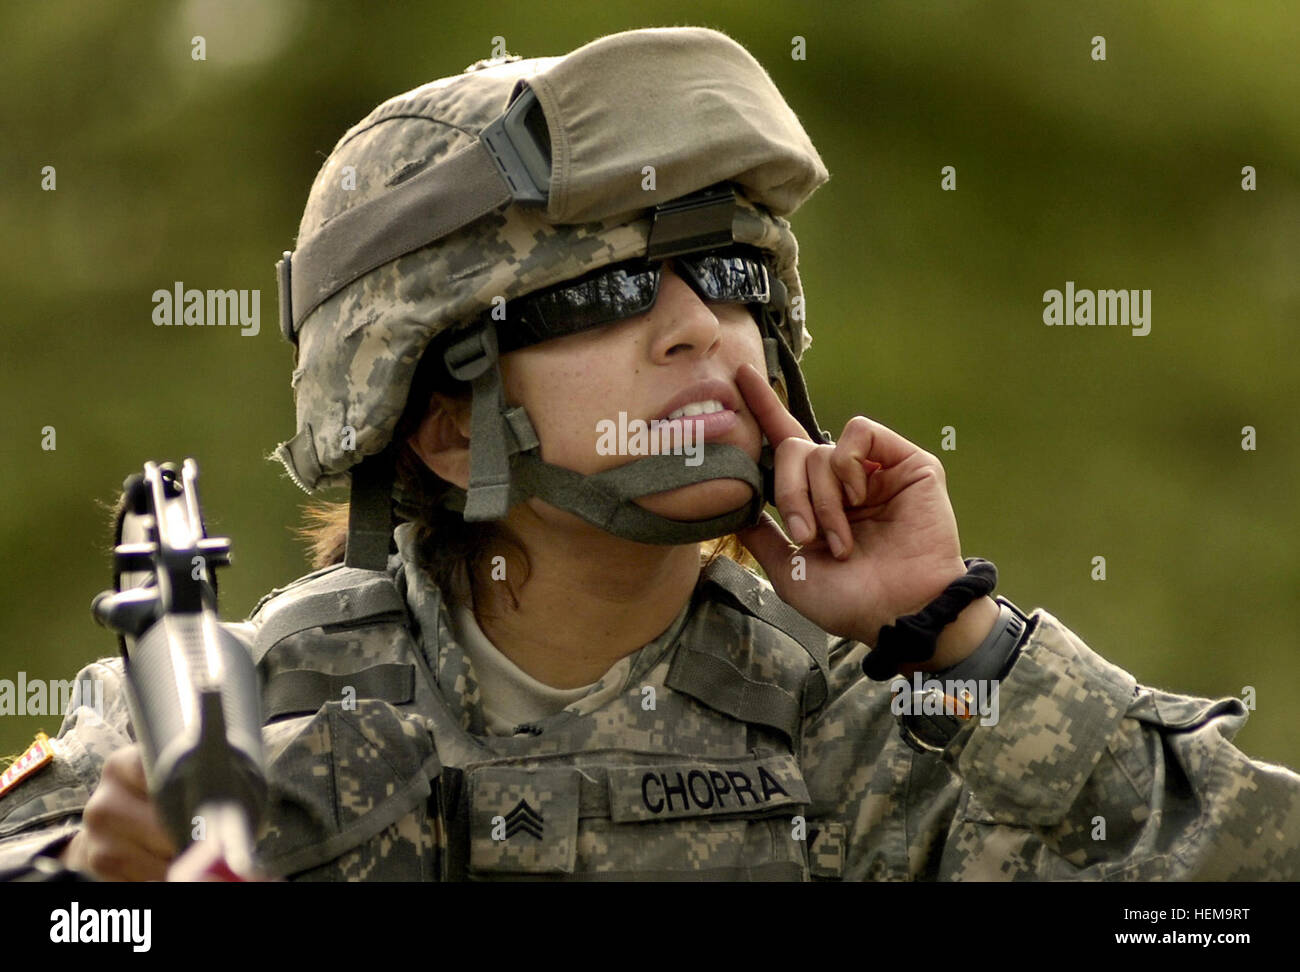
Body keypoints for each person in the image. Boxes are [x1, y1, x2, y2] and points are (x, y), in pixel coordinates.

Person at [2, 25, 1298, 882]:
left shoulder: (879, 712)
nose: (699, 331)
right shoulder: (218, 716)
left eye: (730, 278)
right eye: (602, 300)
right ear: (447, 427)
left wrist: (956, 640)